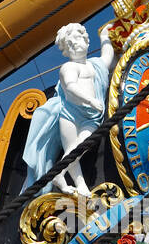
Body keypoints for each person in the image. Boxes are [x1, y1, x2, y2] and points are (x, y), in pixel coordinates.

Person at [23, 22, 116, 196]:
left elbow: (108, 57)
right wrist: (90, 100)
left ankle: (60, 173)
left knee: (81, 145)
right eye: (71, 44)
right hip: (70, 113)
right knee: (75, 147)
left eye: (80, 39)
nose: (76, 45)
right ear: (67, 49)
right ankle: (79, 185)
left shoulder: (94, 65)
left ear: (87, 42)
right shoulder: (69, 67)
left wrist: (104, 37)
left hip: (92, 117)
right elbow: (71, 87)